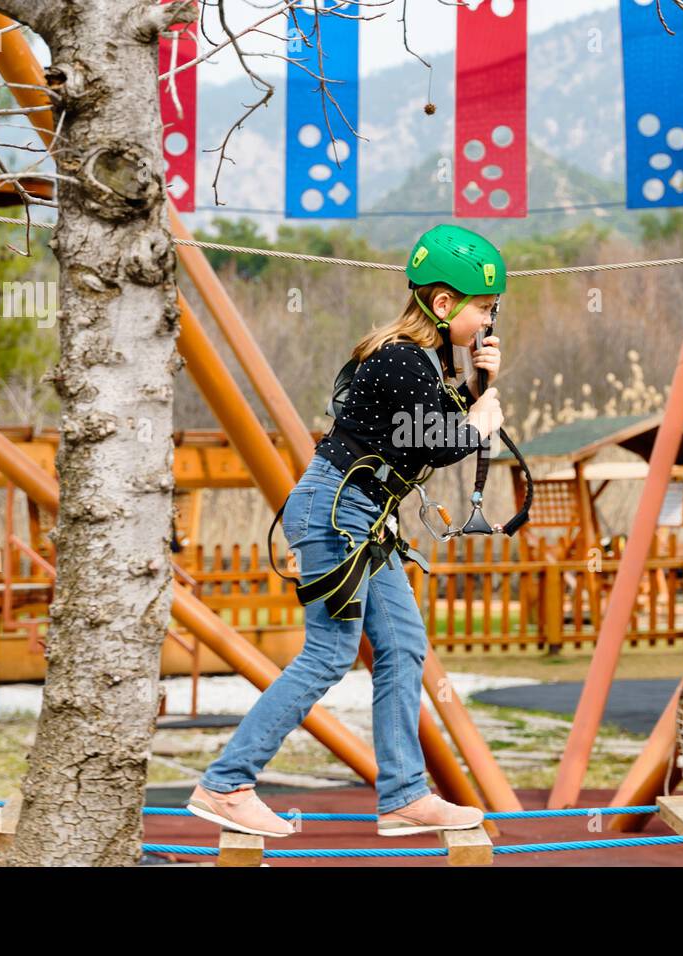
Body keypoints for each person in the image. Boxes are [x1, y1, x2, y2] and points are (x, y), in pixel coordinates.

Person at [186, 224, 506, 838]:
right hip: (338, 511)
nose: (487, 321)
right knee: (330, 652)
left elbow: (425, 421)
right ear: (442, 305)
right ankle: (226, 783)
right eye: (483, 309)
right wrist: (484, 417)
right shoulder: (400, 356)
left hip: (363, 515)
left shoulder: (421, 361)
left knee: (404, 645)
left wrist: (473, 384)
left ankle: (404, 795)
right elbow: (434, 442)